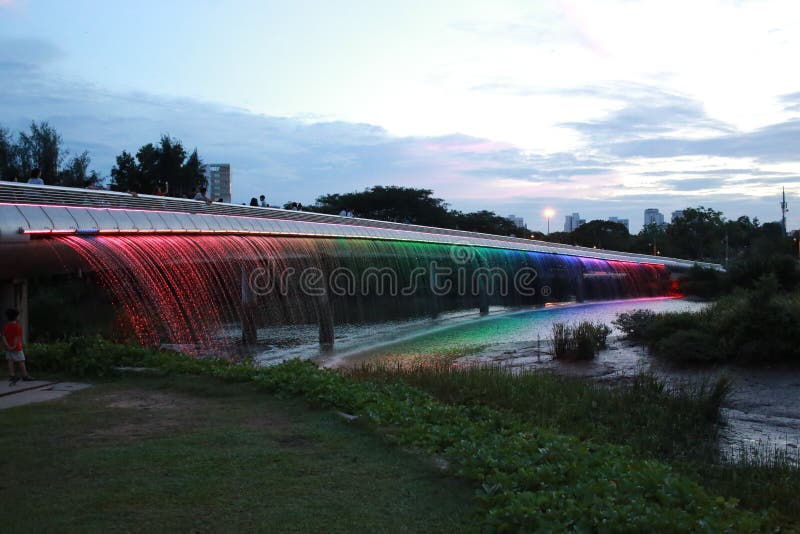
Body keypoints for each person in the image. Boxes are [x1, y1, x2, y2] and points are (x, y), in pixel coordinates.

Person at [4, 308, 32, 384]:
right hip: (17, 348)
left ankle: (12, 375)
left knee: (10, 361)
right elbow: (17, 338)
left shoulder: (6, 326)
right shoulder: (17, 327)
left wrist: (7, 346)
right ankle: (25, 375)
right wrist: (14, 346)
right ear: (16, 317)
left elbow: (3, 337)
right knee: (21, 361)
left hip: (7, 348)